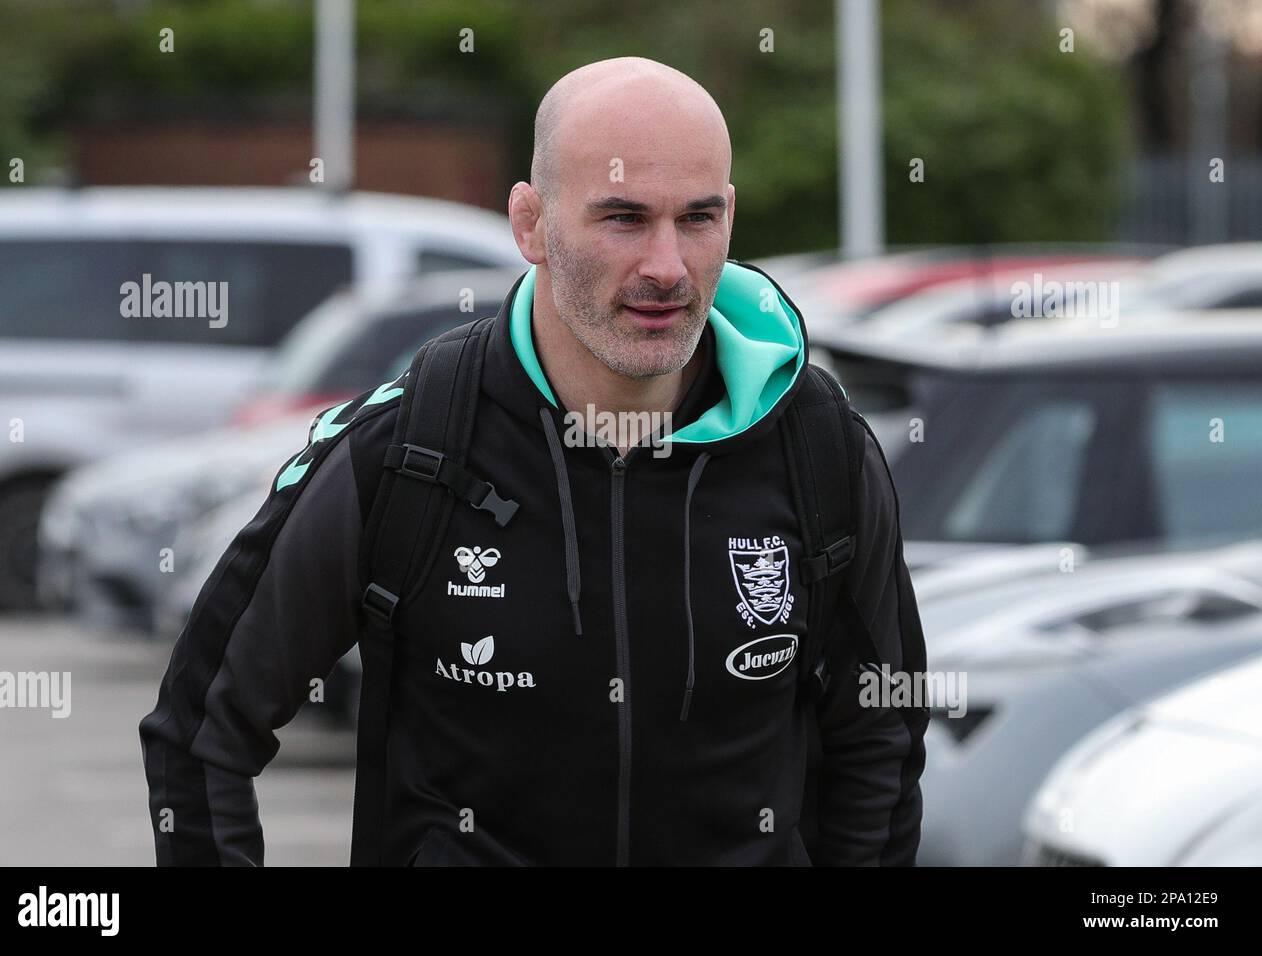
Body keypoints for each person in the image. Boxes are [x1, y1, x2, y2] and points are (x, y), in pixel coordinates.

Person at [139, 56, 928, 866]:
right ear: (530, 224)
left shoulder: (816, 443)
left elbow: (882, 738)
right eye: (623, 217)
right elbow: (201, 728)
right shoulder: (409, 448)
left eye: (697, 219)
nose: (667, 267)